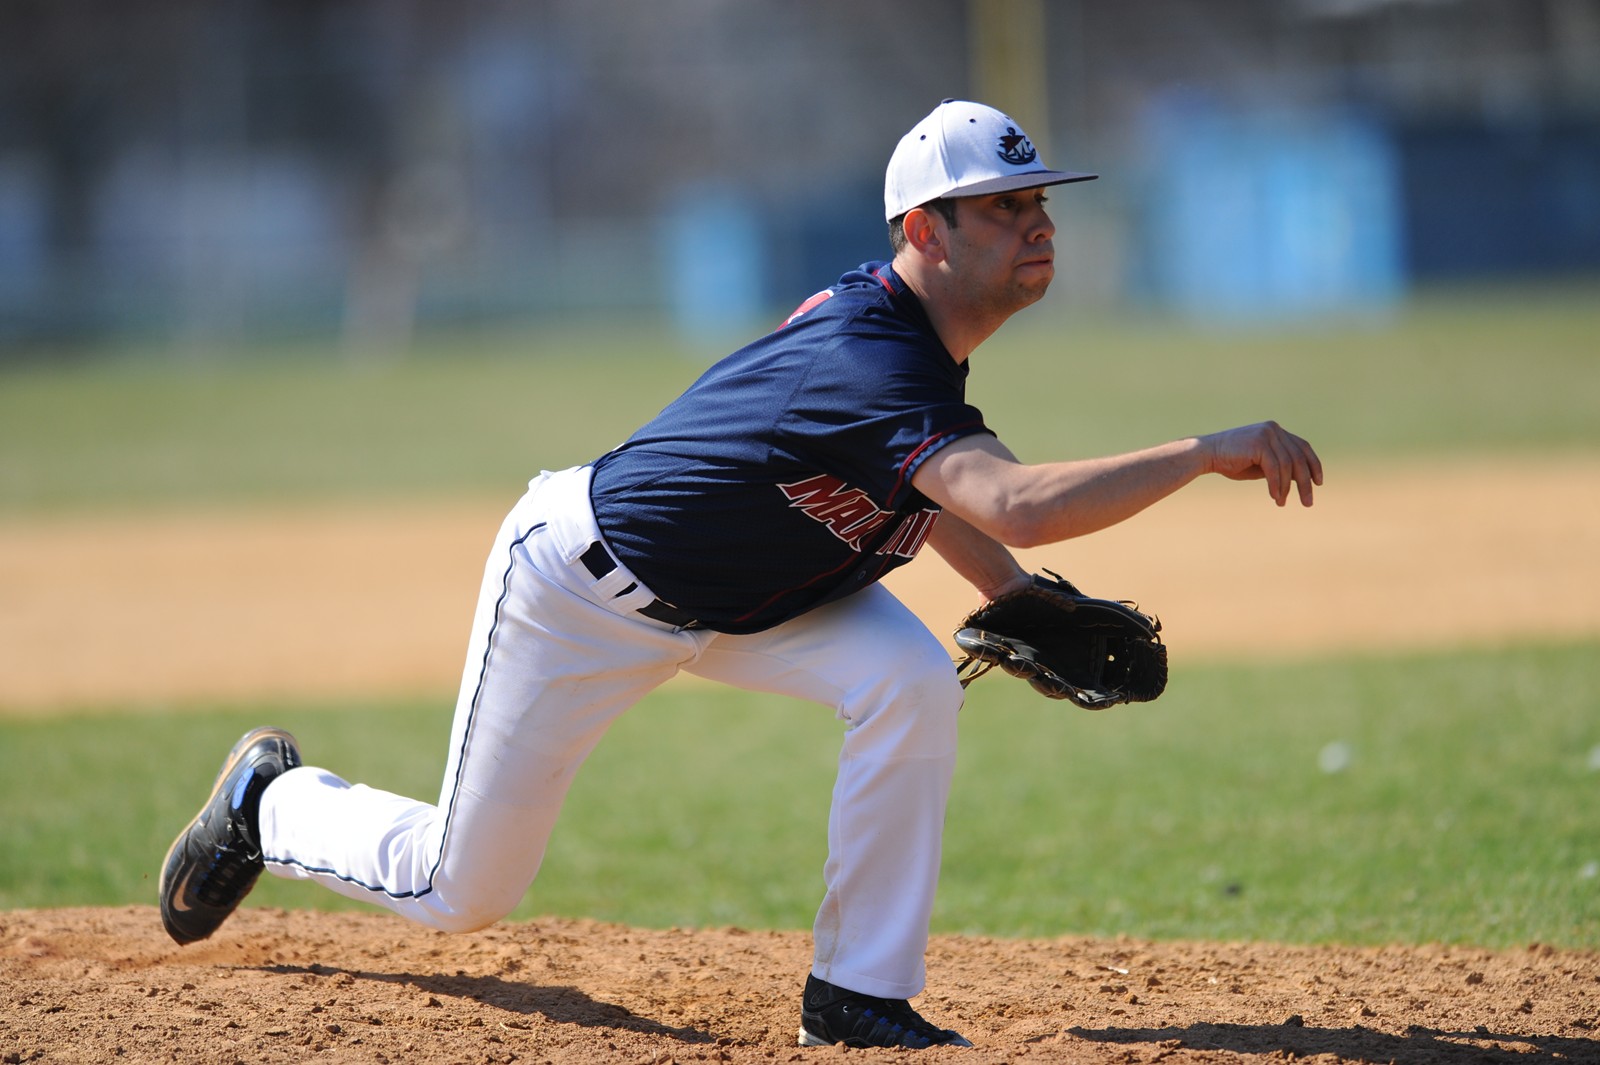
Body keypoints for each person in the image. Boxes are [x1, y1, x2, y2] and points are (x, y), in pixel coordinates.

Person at [159, 99, 1321, 1050]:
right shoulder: (868, 361)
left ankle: (855, 999)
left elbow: (930, 494)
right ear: (925, 232)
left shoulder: (909, 355)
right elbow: (1012, 500)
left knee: (907, 683)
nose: (1036, 224)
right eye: (1002, 206)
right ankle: (268, 804)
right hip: (582, 592)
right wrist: (1204, 450)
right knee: (462, 891)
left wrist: (1002, 596)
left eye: (1040, 203)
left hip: (758, 606)